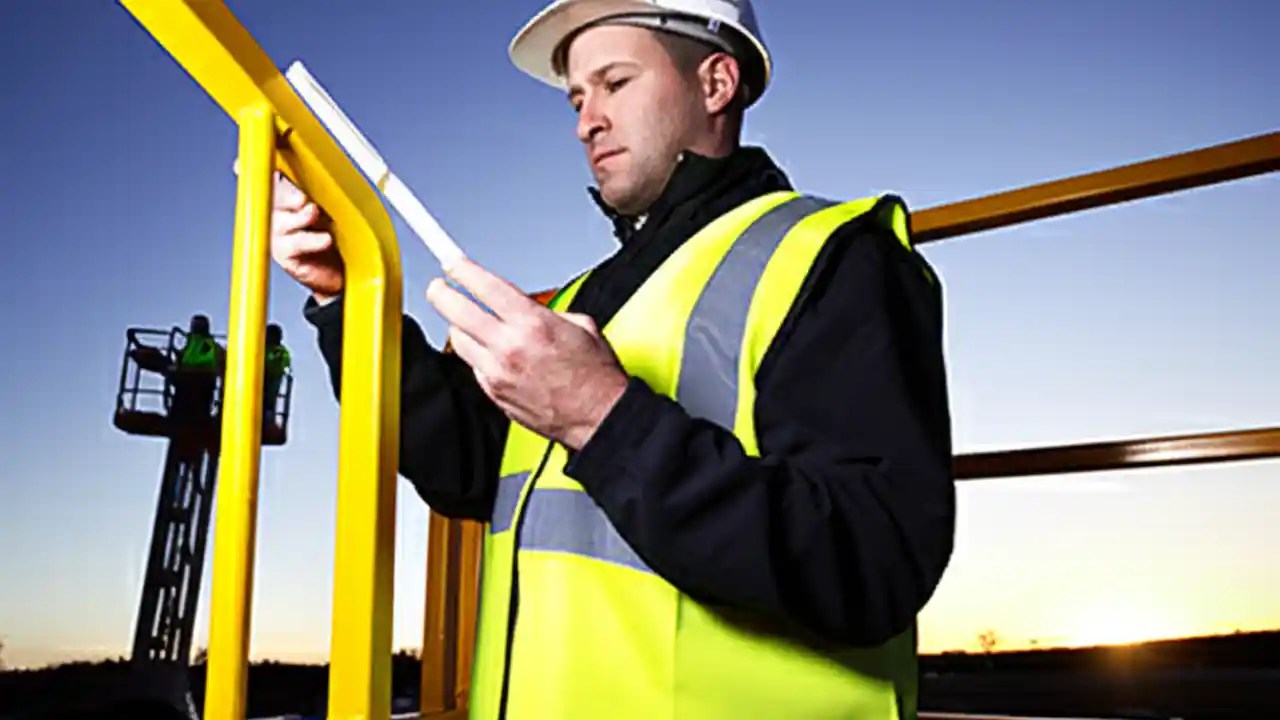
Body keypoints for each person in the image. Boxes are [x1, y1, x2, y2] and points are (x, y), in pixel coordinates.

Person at [270, 0, 955, 716]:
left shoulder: (837, 258)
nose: (585, 121)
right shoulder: (584, 297)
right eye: (577, 97)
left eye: (616, 83)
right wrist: (344, 297)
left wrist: (600, 415)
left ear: (717, 84)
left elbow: (873, 560)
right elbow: (467, 467)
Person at [262, 322, 291, 431]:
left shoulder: (279, 351)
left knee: (268, 403)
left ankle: (268, 421)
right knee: (268, 403)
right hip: (266, 379)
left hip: (271, 379)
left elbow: (286, 365)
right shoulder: (279, 351)